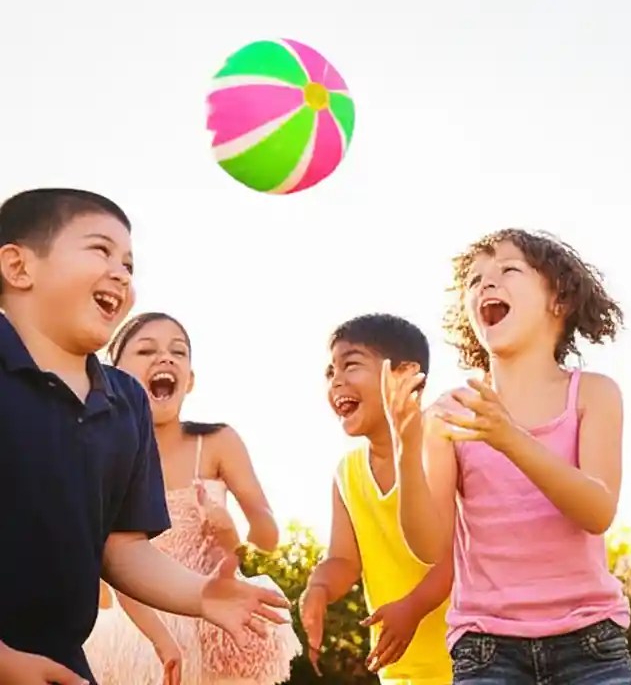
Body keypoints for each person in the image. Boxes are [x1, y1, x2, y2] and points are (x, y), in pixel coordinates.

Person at [0, 188, 288, 685]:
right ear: (18, 267)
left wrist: (200, 593)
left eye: (130, 264)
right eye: (100, 250)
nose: (121, 273)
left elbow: (122, 546)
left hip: (60, 659)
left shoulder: (124, 401)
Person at [384, 228, 631, 684]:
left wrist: (510, 438)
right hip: (487, 650)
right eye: (475, 280)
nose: (486, 284)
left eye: (508, 270)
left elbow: (597, 511)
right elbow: (428, 545)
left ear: (558, 301)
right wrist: (406, 448)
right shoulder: (450, 414)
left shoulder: (593, 395)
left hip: (591, 645)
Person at [84, 312, 301, 684]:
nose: (165, 358)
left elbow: (267, 536)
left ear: (191, 379)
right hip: (136, 626)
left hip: (212, 618)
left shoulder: (217, 443)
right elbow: (110, 562)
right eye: (146, 349)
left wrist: (229, 531)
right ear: (113, 375)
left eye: (178, 352)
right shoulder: (102, 455)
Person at [298, 313, 453, 685]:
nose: (336, 380)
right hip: (400, 673)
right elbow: (343, 560)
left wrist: (414, 607)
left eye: (351, 365)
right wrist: (318, 588)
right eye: (329, 371)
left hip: (469, 663)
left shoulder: (441, 443)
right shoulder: (347, 473)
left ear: (404, 375)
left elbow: (460, 553)